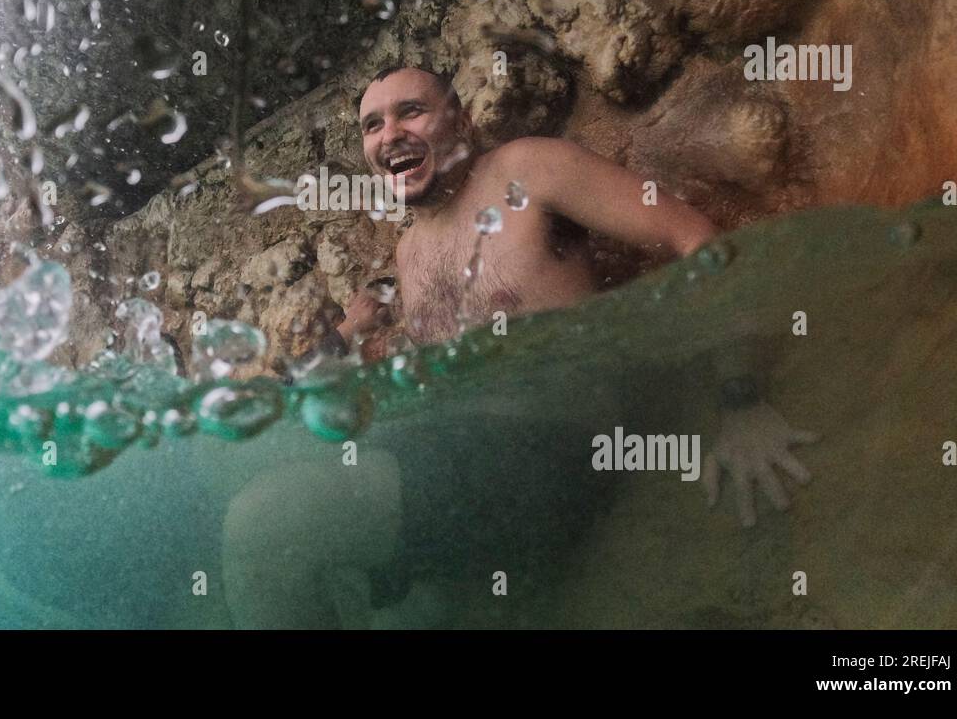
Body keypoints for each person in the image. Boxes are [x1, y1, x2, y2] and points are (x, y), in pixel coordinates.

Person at [222, 66, 816, 627]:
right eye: (373, 124)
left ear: (462, 122)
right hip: (454, 462)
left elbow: (696, 238)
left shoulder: (529, 170)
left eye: (411, 112)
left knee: (264, 522)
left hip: (552, 454)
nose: (390, 134)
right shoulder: (410, 252)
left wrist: (740, 398)